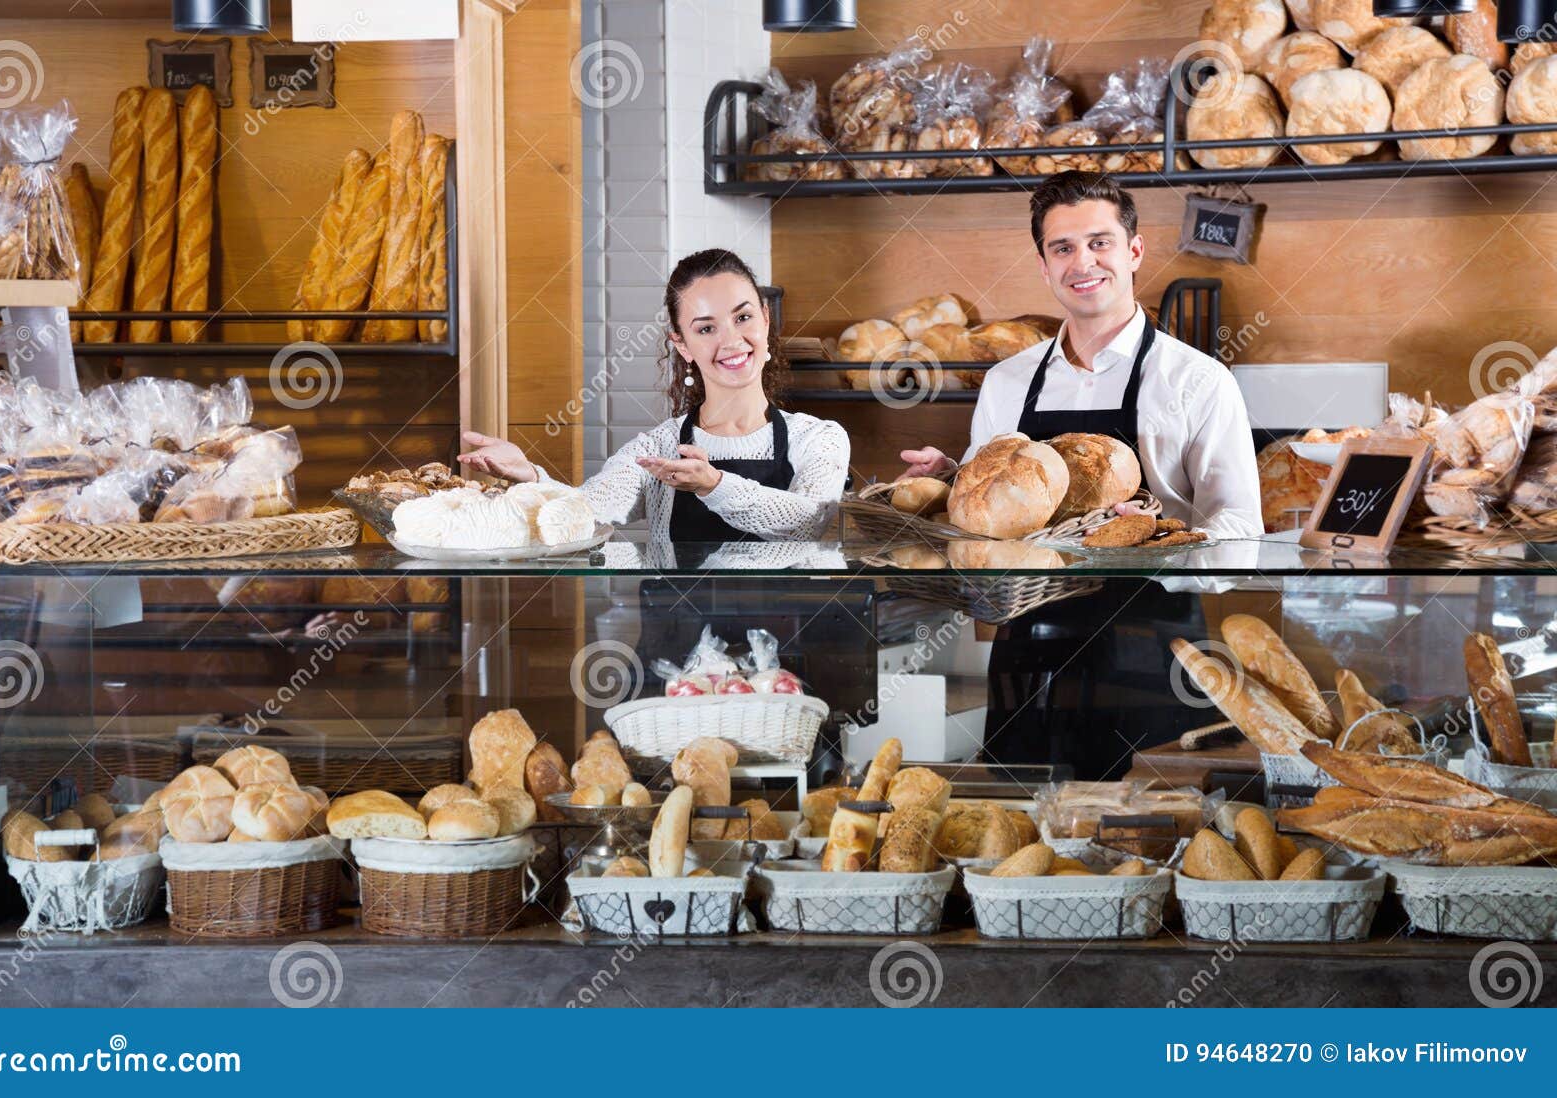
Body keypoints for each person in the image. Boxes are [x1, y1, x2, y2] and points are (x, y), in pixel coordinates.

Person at [900, 171, 1264, 778]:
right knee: (1028, 841)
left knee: (1145, 835)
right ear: (1043, 266)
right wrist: (952, 484)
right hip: (1030, 651)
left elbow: (1242, 530)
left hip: (1153, 650)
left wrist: (1157, 542)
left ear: (1134, 251)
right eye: (1062, 248)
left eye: (1100, 242)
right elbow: (998, 532)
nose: (1082, 262)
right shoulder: (1007, 382)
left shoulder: (1197, 381)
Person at [459, 248, 849, 548]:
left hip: (782, 649)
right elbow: (586, 514)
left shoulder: (818, 439)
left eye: (742, 317)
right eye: (706, 327)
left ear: (765, 318)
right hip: (674, 647)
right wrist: (530, 476)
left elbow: (806, 522)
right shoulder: (659, 448)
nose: (731, 340)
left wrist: (712, 484)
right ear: (682, 344)